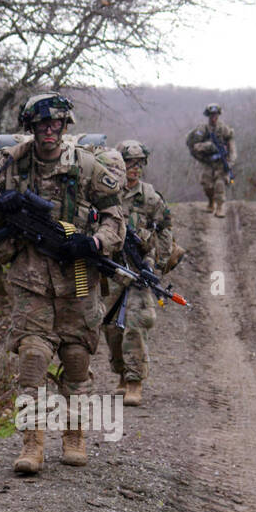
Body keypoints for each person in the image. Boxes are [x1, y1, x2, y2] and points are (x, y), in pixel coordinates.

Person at [0, 92, 126, 472]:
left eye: (56, 123)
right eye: (42, 123)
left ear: (64, 126)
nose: (50, 130)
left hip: (77, 275)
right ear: (31, 126)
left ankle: (74, 435)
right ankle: (32, 443)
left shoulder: (88, 166)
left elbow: (115, 221)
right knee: (32, 360)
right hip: (30, 277)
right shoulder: (10, 165)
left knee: (76, 359)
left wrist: (93, 241)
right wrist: (5, 208)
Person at [104, 139, 175, 406]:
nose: (134, 169)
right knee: (111, 327)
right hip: (111, 269)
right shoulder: (107, 193)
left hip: (139, 269)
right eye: (129, 163)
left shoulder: (150, 197)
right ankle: (122, 374)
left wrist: (159, 263)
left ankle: (135, 382)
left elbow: (166, 228)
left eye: (139, 164)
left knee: (135, 323)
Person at [185, 104, 237, 217]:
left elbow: (231, 143)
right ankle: (211, 201)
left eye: (216, 114)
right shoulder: (203, 129)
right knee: (207, 185)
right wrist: (208, 146)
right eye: (212, 115)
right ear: (208, 116)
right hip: (207, 162)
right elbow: (195, 145)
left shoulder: (224, 129)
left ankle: (220, 207)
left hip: (220, 162)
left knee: (220, 183)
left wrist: (231, 160)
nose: (214, 117)